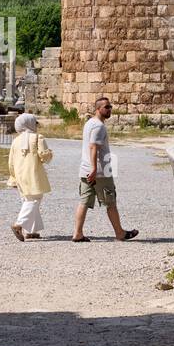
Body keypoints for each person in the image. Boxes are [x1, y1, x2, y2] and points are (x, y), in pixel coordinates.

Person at [72, 96, 138, 243]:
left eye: (110, 107)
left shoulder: (89, 123)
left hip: (85, 169)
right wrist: (95, 168)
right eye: (106, 107)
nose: (109, 110)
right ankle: (120, 233)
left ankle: (77, 233)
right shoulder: (98, 126)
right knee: (110, 202)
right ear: (98, 109)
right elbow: (93, 146)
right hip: (100, 171)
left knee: (84, 201)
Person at [7, 112, 52, 241]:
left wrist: (13, 177)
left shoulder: (15, 141)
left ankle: (32, 231)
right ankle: (18, 224)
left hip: (20, 175)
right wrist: (50, 155)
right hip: (34, 174)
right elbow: (44, 155)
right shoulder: (38, 137)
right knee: (34, 200)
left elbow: (11, 161)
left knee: (28, 200)